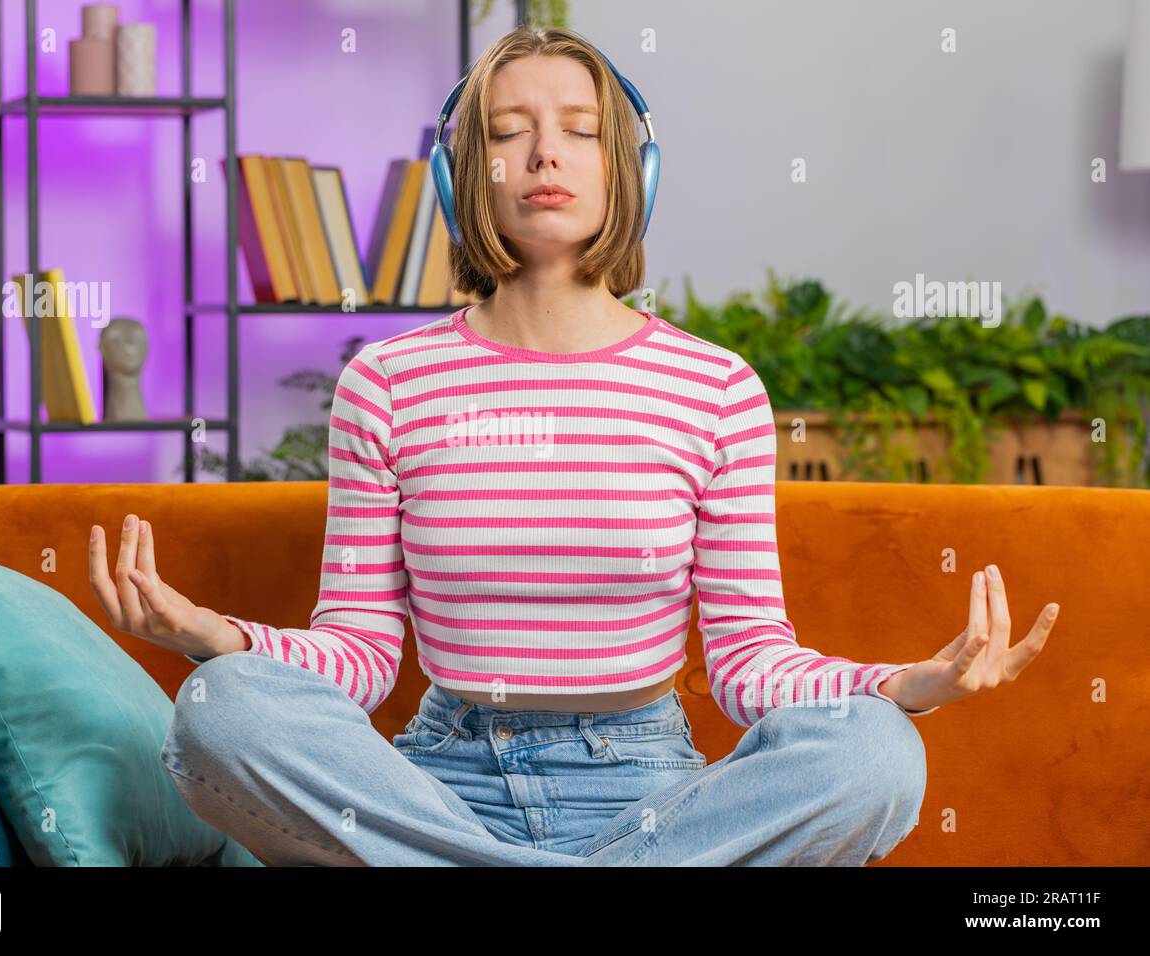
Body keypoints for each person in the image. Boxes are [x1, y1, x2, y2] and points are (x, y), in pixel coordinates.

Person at [87, 26, 1061, 866]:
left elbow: (750, 662)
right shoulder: (383, 385)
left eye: (582, 131)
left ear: (627, 171)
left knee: (877, 754)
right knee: (219, 709)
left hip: (650, 792)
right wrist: (220, 639)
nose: (546, 151)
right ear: (466, 175)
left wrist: (903, 686)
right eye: (509, 132)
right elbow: (361, 651)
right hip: (438, 789)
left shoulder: (714, 389)